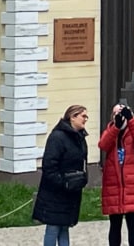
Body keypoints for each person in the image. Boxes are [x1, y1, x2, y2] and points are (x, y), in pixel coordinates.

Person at [34, 105, 91, 246]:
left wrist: (81, 179)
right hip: (54, 192)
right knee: (53, 227)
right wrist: (63, 182)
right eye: (83, 116)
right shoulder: (57, 137)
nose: (85, 119)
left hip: (71, 192)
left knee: (64, 227)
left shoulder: (80, 137)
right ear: (73, 117)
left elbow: (82, 162)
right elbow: (49, 166)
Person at [99, 103, 134, 246]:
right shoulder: (110, 130)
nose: (119, 116)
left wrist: (131, 119)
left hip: (132, 184)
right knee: (115, 224)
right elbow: (103, 145)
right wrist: (116, 127)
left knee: (133, 224)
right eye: (115, 113)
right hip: (114, 184)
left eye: (122, 113)